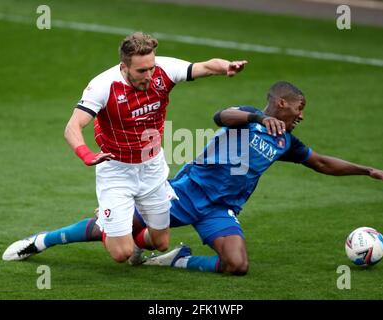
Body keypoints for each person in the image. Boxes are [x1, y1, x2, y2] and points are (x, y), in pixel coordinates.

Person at [3, 81, 383, 275]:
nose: (302, 114)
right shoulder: (250, 117)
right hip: (186, 192)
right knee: (115, 231)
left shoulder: (287, 143)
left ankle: (176, 261)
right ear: (280, 103)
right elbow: (220, 116)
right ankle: (39, 242)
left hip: (221, 209)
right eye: (299, 107)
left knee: (236, 265)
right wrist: (259, 118)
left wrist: (366, 170)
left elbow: (322, 162)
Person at [62, 31, 247, 263]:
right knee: (122, 254)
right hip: (116, 169)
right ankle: (107, 223)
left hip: (152, 167)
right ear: (124, 67)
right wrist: (86, 154)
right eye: (141, 71)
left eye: (151, 67)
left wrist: (226, 66)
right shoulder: (103, 85)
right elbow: (72, 126)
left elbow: (205, 67)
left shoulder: (163, 69)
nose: (149, 75)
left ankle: (120, 222)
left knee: (161, 242)